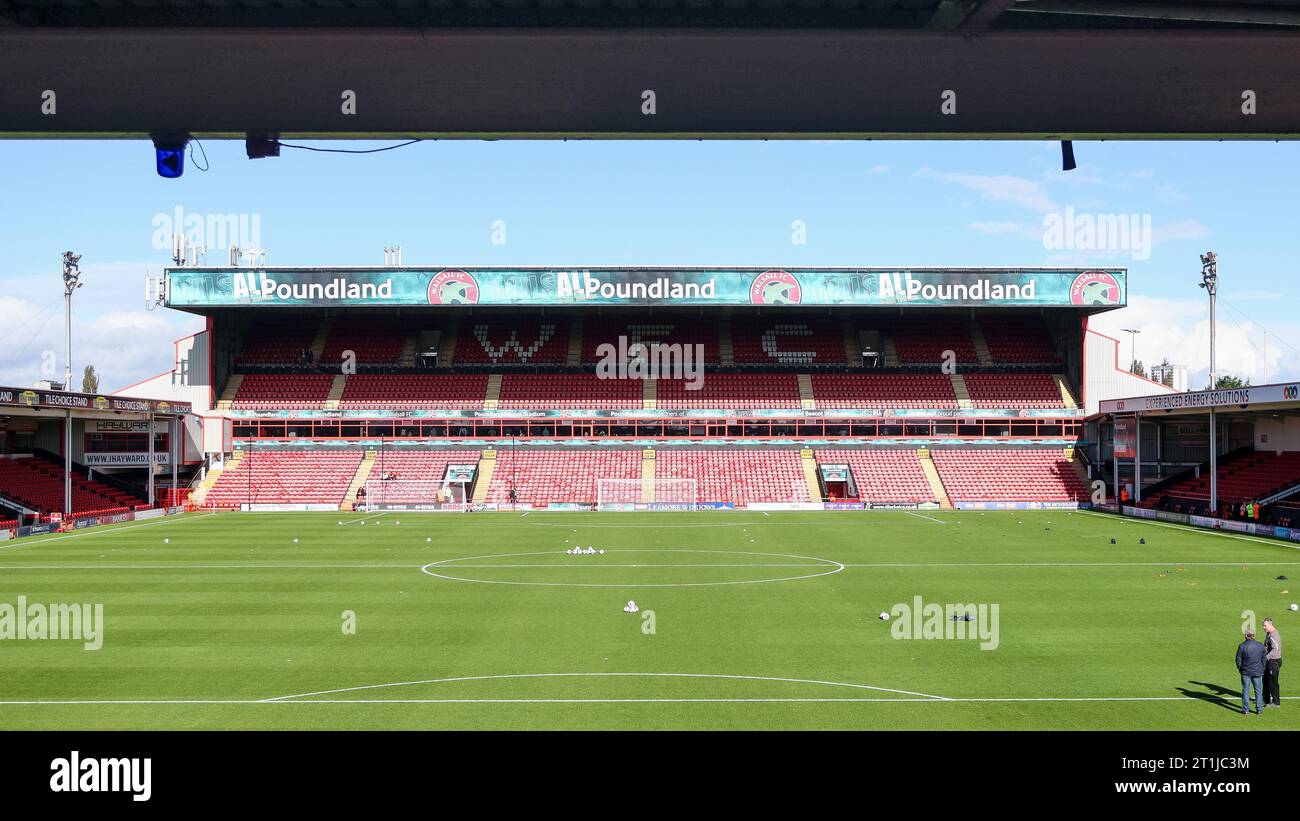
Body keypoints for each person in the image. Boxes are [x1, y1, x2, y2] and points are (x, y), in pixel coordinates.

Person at [1237, 629, 1268, 715]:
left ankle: (1246, 710)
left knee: (1246, 691)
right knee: (1258, 691)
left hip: (1246, 672)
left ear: (1246, 636)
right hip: (1257, 672)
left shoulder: (1242, 646)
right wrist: (1262, 669)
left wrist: (1240, 669)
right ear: (1254, 636)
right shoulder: (1260, 646)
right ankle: (1259, 710)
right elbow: (1264, 659)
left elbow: (1238, 660)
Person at [1263, 618, 1283, 708]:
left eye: (1265, 625)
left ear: (1270, 625)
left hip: (1273, 661)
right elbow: (1266, 646)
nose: (1263, 627)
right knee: (1266, 680)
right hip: (1270, 661)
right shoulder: (1269, 634)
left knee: (1273, 682)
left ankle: (1276, 702)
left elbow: (1275, 650)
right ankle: (1266, 700)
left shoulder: (1274, 635)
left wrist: (1265, 657)